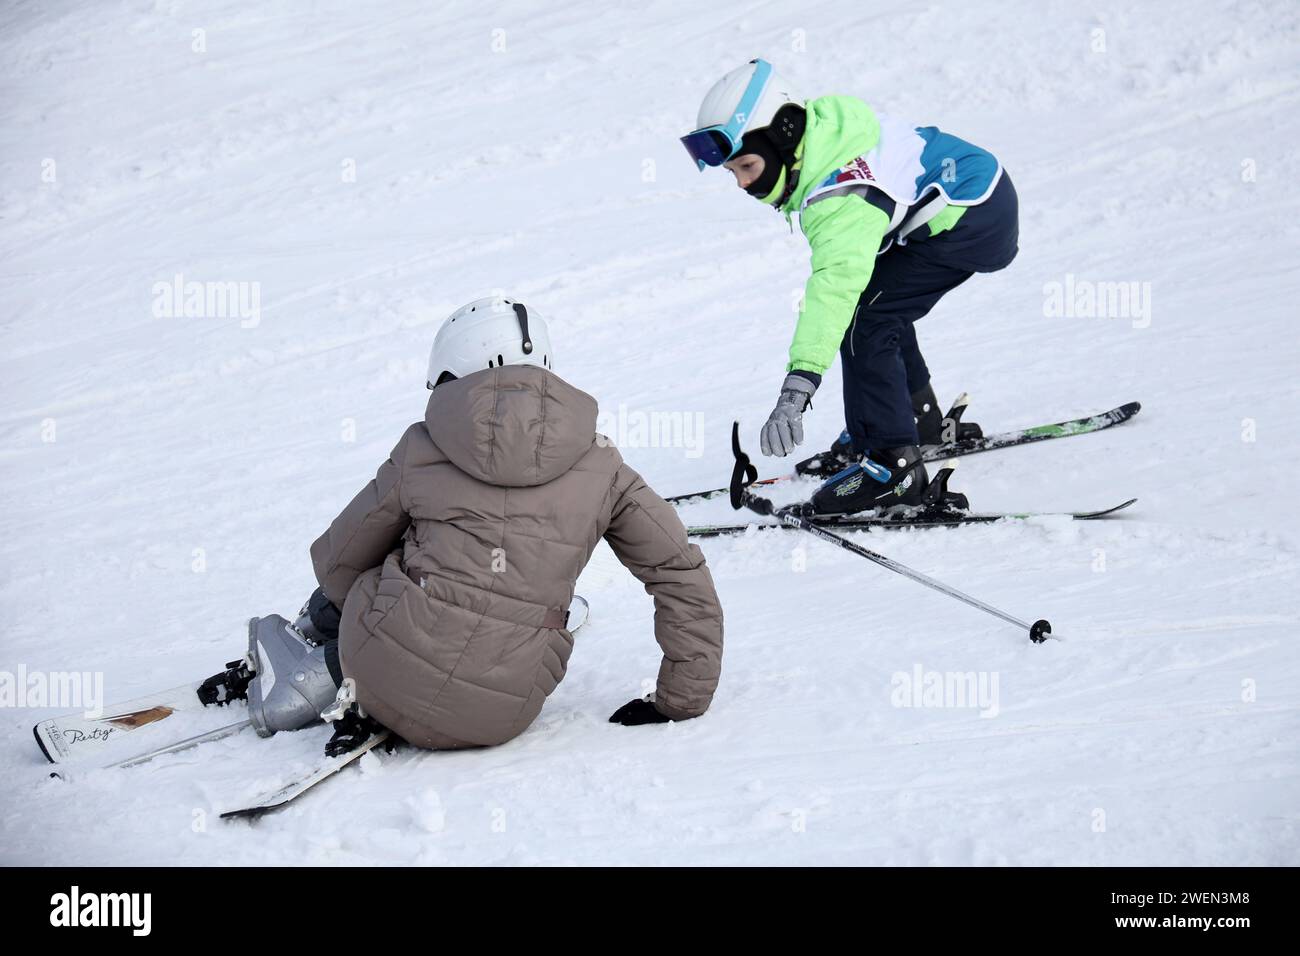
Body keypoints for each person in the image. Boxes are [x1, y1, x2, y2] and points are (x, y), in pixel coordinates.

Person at [207, 297, 724, 754]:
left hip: (378, 675)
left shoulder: (423, 447)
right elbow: (680, 576)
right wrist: (681, 699)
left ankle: (309, 668)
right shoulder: (606, 467)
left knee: (381, 560)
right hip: (503, 715)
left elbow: (338, 563)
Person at [681, 59, 1018, 514]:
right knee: (878, 304)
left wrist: (796, 390)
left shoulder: (840, 197)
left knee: (865, 318)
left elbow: (832, 292)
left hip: (970, 218)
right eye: (733, 173)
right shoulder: (826, 135)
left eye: (746, 165)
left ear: (784, 136)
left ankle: (894, 466)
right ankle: (913, 424)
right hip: (978, 196)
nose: (743, 184)